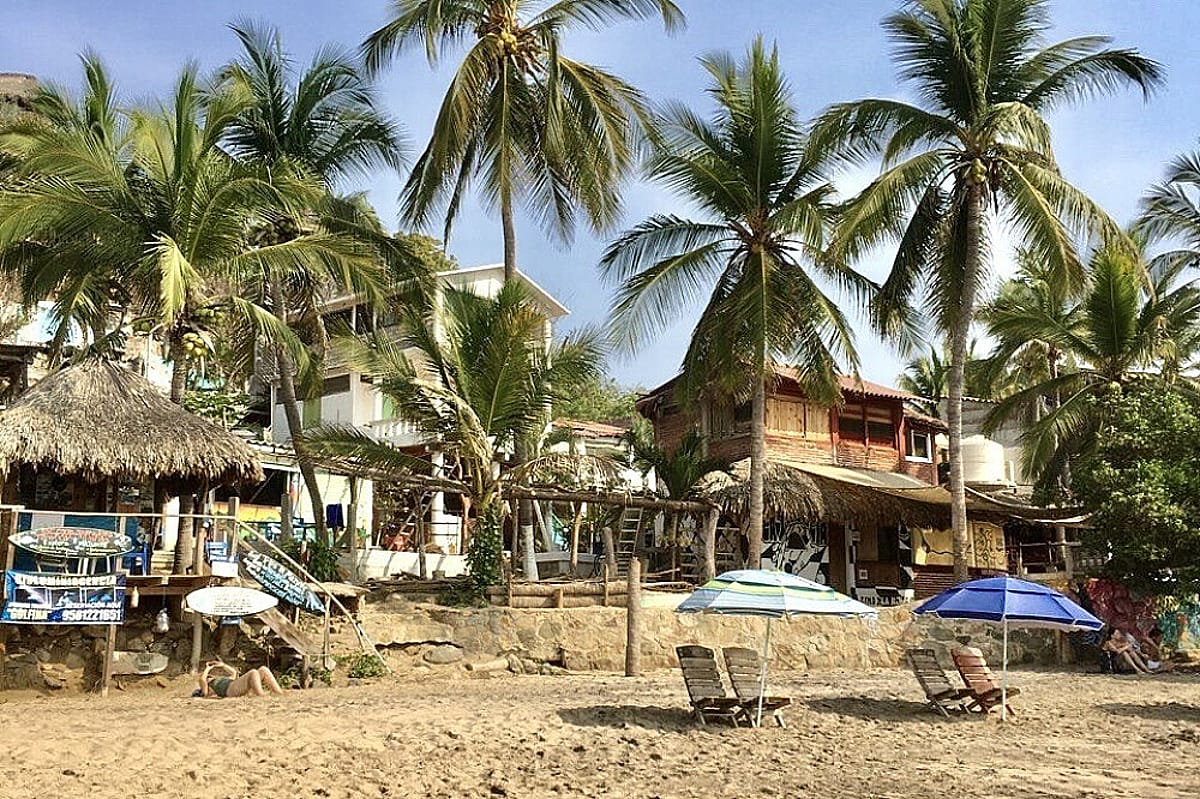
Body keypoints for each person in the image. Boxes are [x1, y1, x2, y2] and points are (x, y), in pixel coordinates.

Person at [196, 660, 284, 698]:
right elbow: (202, 679)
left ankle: (279, 693)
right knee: (253, 672)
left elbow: (234, 673)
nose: (210, 676)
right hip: (230, 690)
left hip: (234, 684)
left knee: (263, 669)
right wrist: (208, 668)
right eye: (208, 677)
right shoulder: (207, 688)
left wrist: (222, 665)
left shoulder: (223, 679)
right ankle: (261, 696)